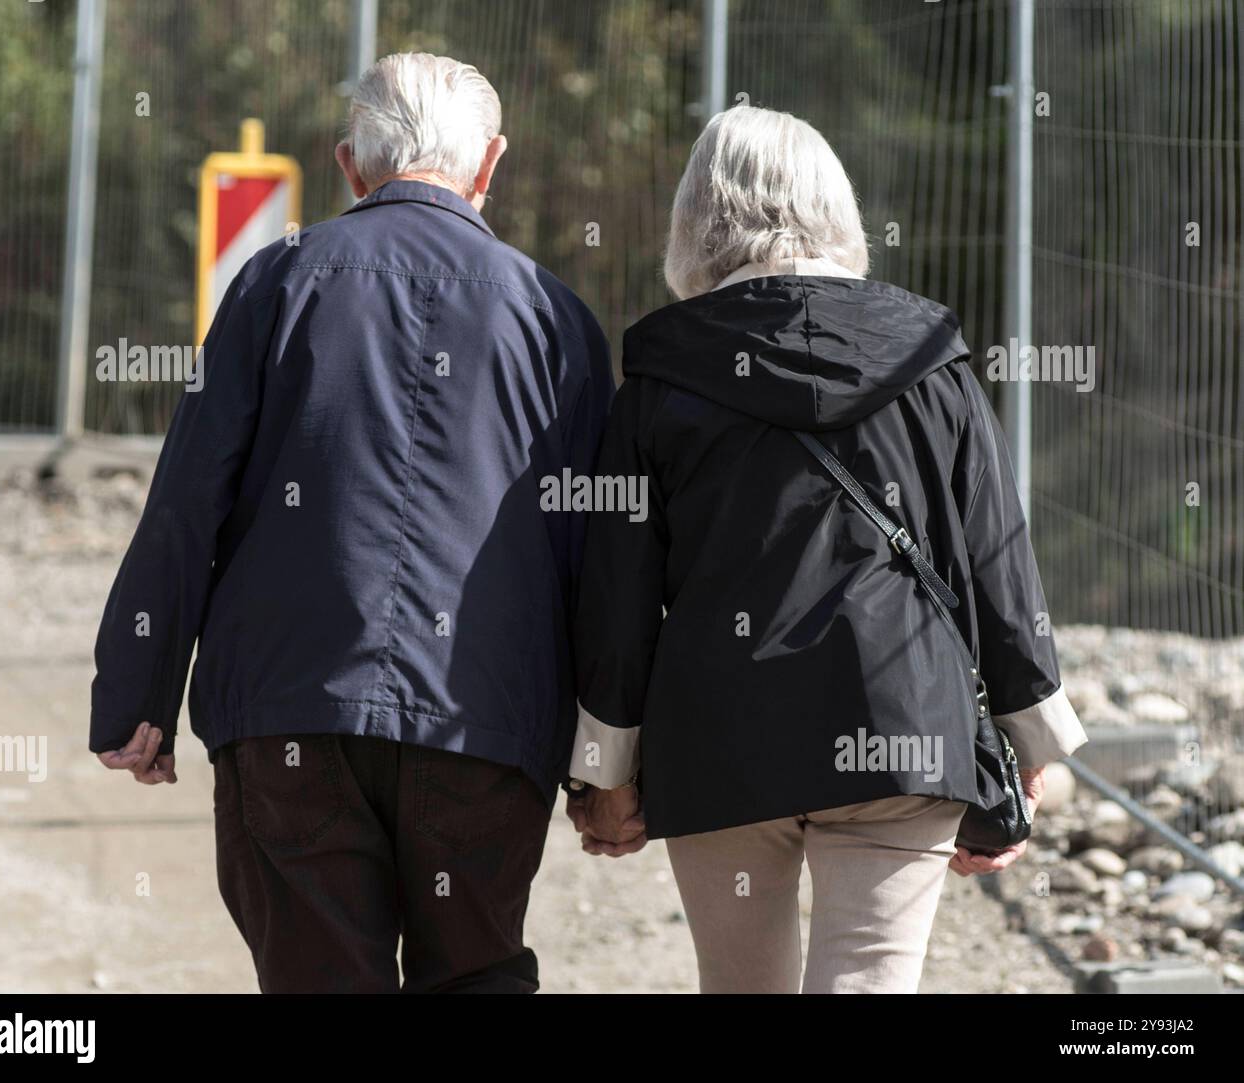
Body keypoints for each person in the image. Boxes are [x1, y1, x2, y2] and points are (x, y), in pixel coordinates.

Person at [90, 52, 614, 993]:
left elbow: (186, 499)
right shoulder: (557, 320)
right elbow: (596, 554)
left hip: (294, 710)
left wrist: (138, 691)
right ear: (489, 165)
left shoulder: (272, 284)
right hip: (483, 721)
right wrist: (605, 764)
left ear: (349, 166)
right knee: (479, 974)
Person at [566, 104, 1088, 994]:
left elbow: (617, 597)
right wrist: (1027, 738)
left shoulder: (657, 381)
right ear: (836, 211)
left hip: (720, 739)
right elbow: (997, 559)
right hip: (901, 724)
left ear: (697, 219)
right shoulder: (933, 360)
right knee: (872, 980)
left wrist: (603, 773)